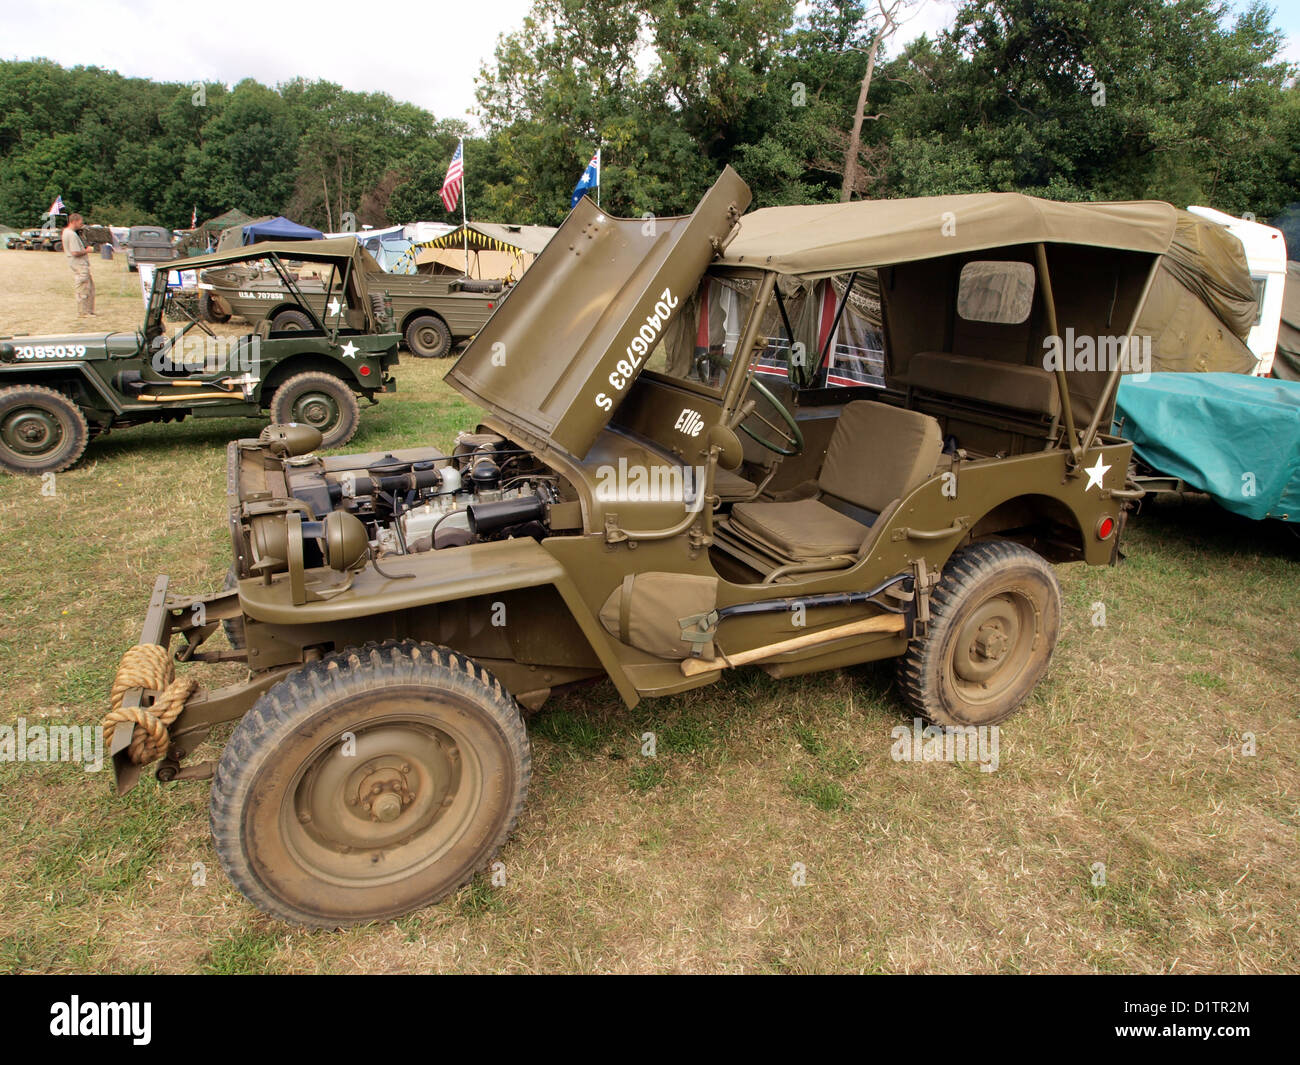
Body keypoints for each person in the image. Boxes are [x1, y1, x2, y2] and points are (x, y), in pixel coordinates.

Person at [62, 213, 95, 317]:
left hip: (76, 265)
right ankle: (83, 312)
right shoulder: (71, 234)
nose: (81, 225)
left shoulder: (66, 232)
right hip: (80, 265)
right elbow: (75, 252)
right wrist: (87, 250)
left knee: (89, 287)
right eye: (80, 223)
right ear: (74, 222)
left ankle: (87, 310)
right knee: (83, 288)